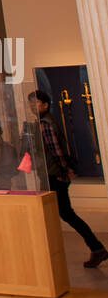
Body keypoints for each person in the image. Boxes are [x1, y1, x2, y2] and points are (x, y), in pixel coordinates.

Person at [28, 90, 108, 268]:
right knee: (63, 213)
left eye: (36, 103)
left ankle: (96, 248)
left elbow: (56, 150)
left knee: (64, 213)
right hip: (53, 172)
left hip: (53, 174)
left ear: (45, 104)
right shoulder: (46, 121)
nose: (33, 106)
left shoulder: (45, 124)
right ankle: (96, 248)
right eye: (31, 103)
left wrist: (65, 170)